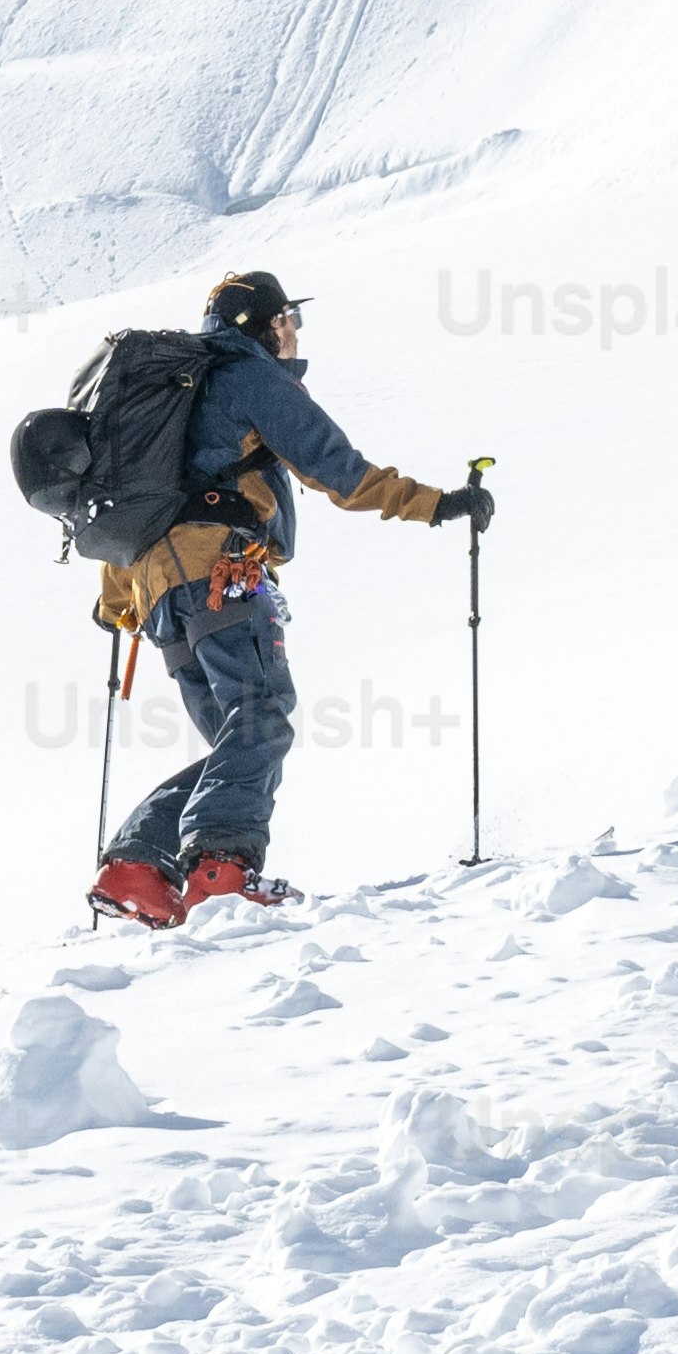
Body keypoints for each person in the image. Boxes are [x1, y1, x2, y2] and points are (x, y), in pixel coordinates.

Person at [86, 267, 481, 924]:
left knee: (238, 742)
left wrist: (118, 600)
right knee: (261, 716)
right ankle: (219, 868)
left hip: (159, 596)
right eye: (288, 318)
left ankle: (139, 866)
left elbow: (133, 500)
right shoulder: (247, 374)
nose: (295, 330)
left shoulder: (171, 394)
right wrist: (437, 505)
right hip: (220, 571)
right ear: (263, 325)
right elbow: (337, 468)